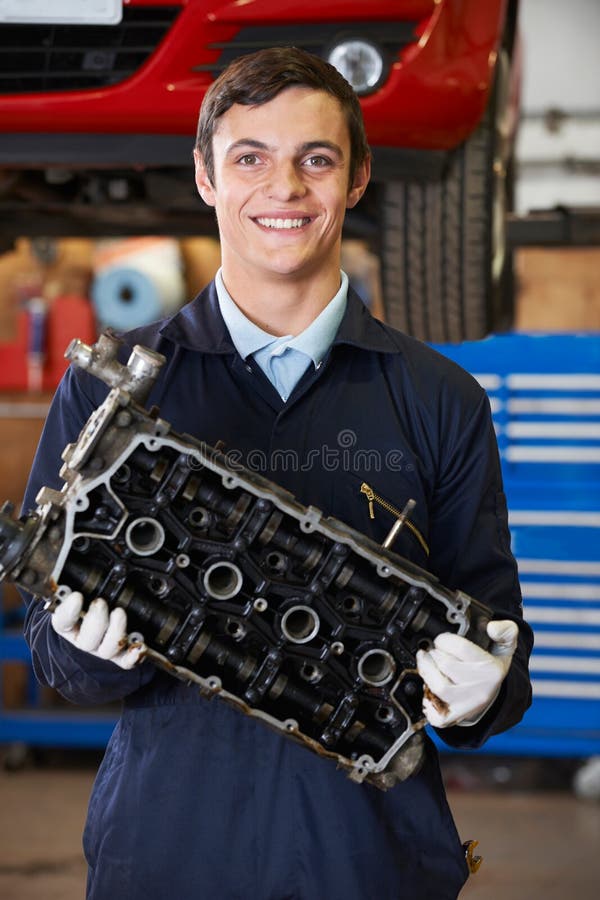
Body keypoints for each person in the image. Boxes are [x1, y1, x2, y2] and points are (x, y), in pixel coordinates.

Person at [22, 47, 533, 900]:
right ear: (206, 177)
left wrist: (478, 693)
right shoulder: (109, 387)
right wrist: (93, 650)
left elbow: (502, 659)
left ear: (358, 178)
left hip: (371, 861)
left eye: (317, 159)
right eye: (250, 157)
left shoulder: (440, 399)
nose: (285, 187)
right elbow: (52, 649)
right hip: (169, 852)